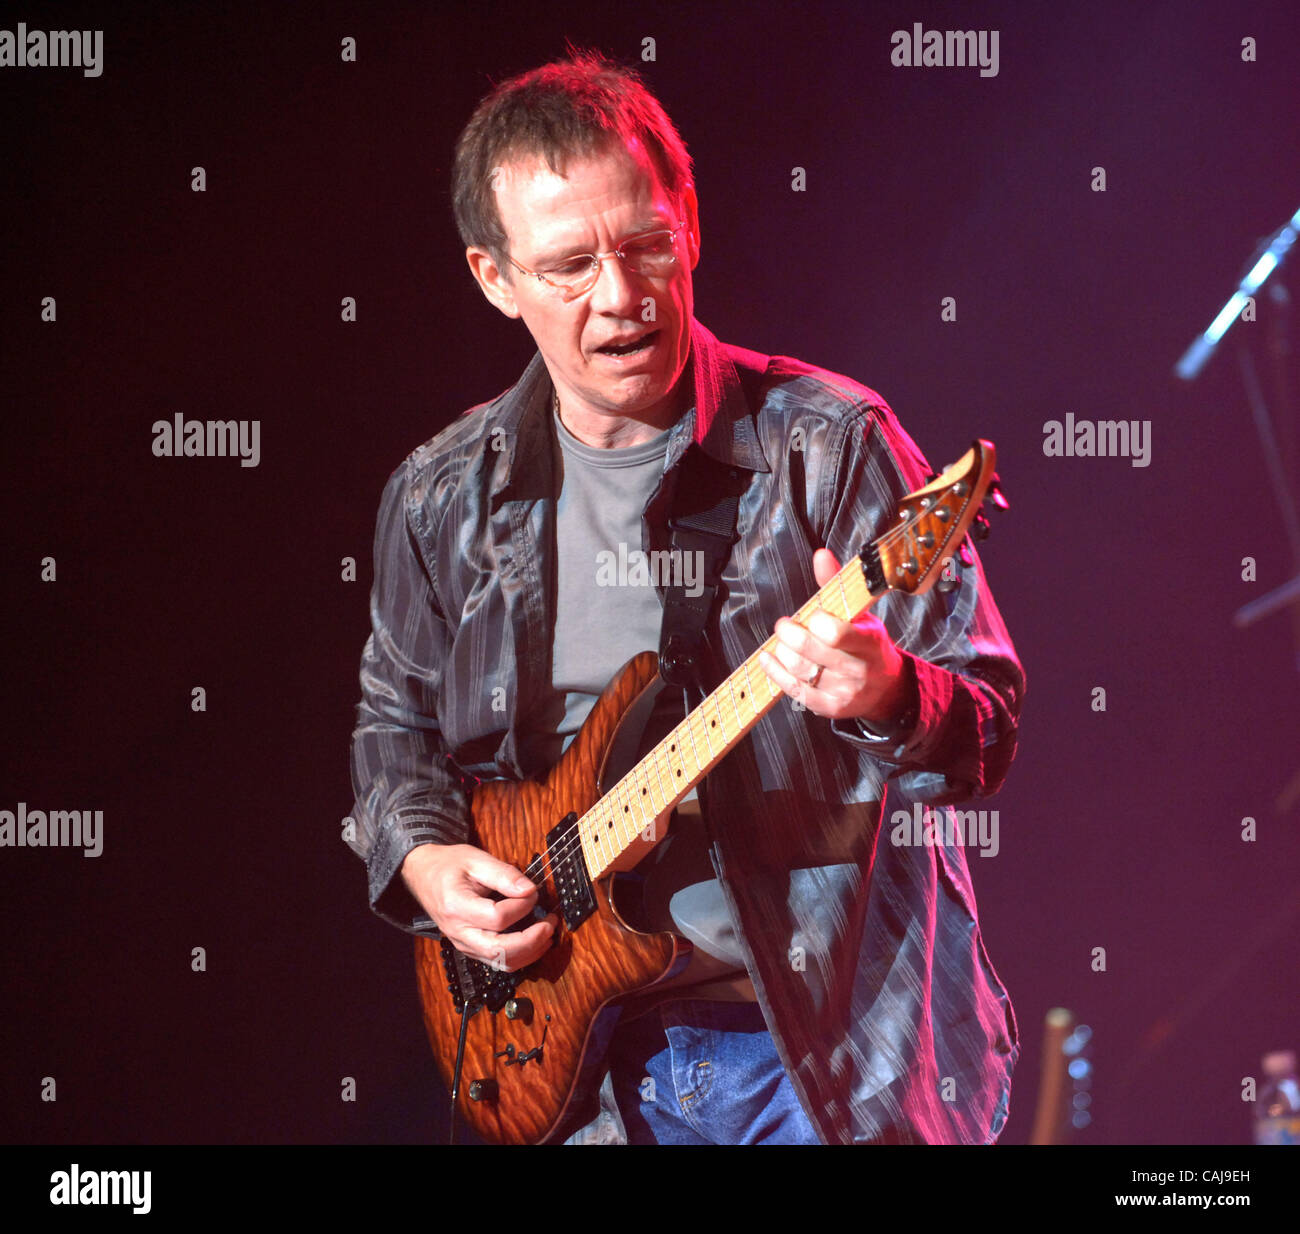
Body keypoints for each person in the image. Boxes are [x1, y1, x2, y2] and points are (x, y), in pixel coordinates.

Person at [347, 50, 1024, 1145]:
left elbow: (984, 724)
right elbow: (393, 733)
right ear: (493, 276)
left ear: (690, 225)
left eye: (645, 244)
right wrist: (423, 860)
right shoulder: (438, 496)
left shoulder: (828, 444)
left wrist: (887, 690)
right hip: (577, 1068)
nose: (620, 297)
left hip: (822, 1059)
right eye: (568, 266)